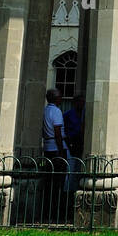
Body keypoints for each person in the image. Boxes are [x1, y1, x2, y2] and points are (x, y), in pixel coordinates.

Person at [40, 88, 69, 222]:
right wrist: (62, 152)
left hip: (47, 146)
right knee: (58, 182)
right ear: (56, 98)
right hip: (56, 147)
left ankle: (47, 212)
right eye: (59, 97)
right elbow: (57, 131)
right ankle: (56, 213)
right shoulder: (56, 111)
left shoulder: (45, 110)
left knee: (50, 181)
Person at [63, 94, 86, 159]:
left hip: (82, 141)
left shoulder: (85, 114)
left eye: (83, 102)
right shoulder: (68, 115)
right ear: (75, 103)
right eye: (80, 102)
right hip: (72, 141)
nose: (82, 104)